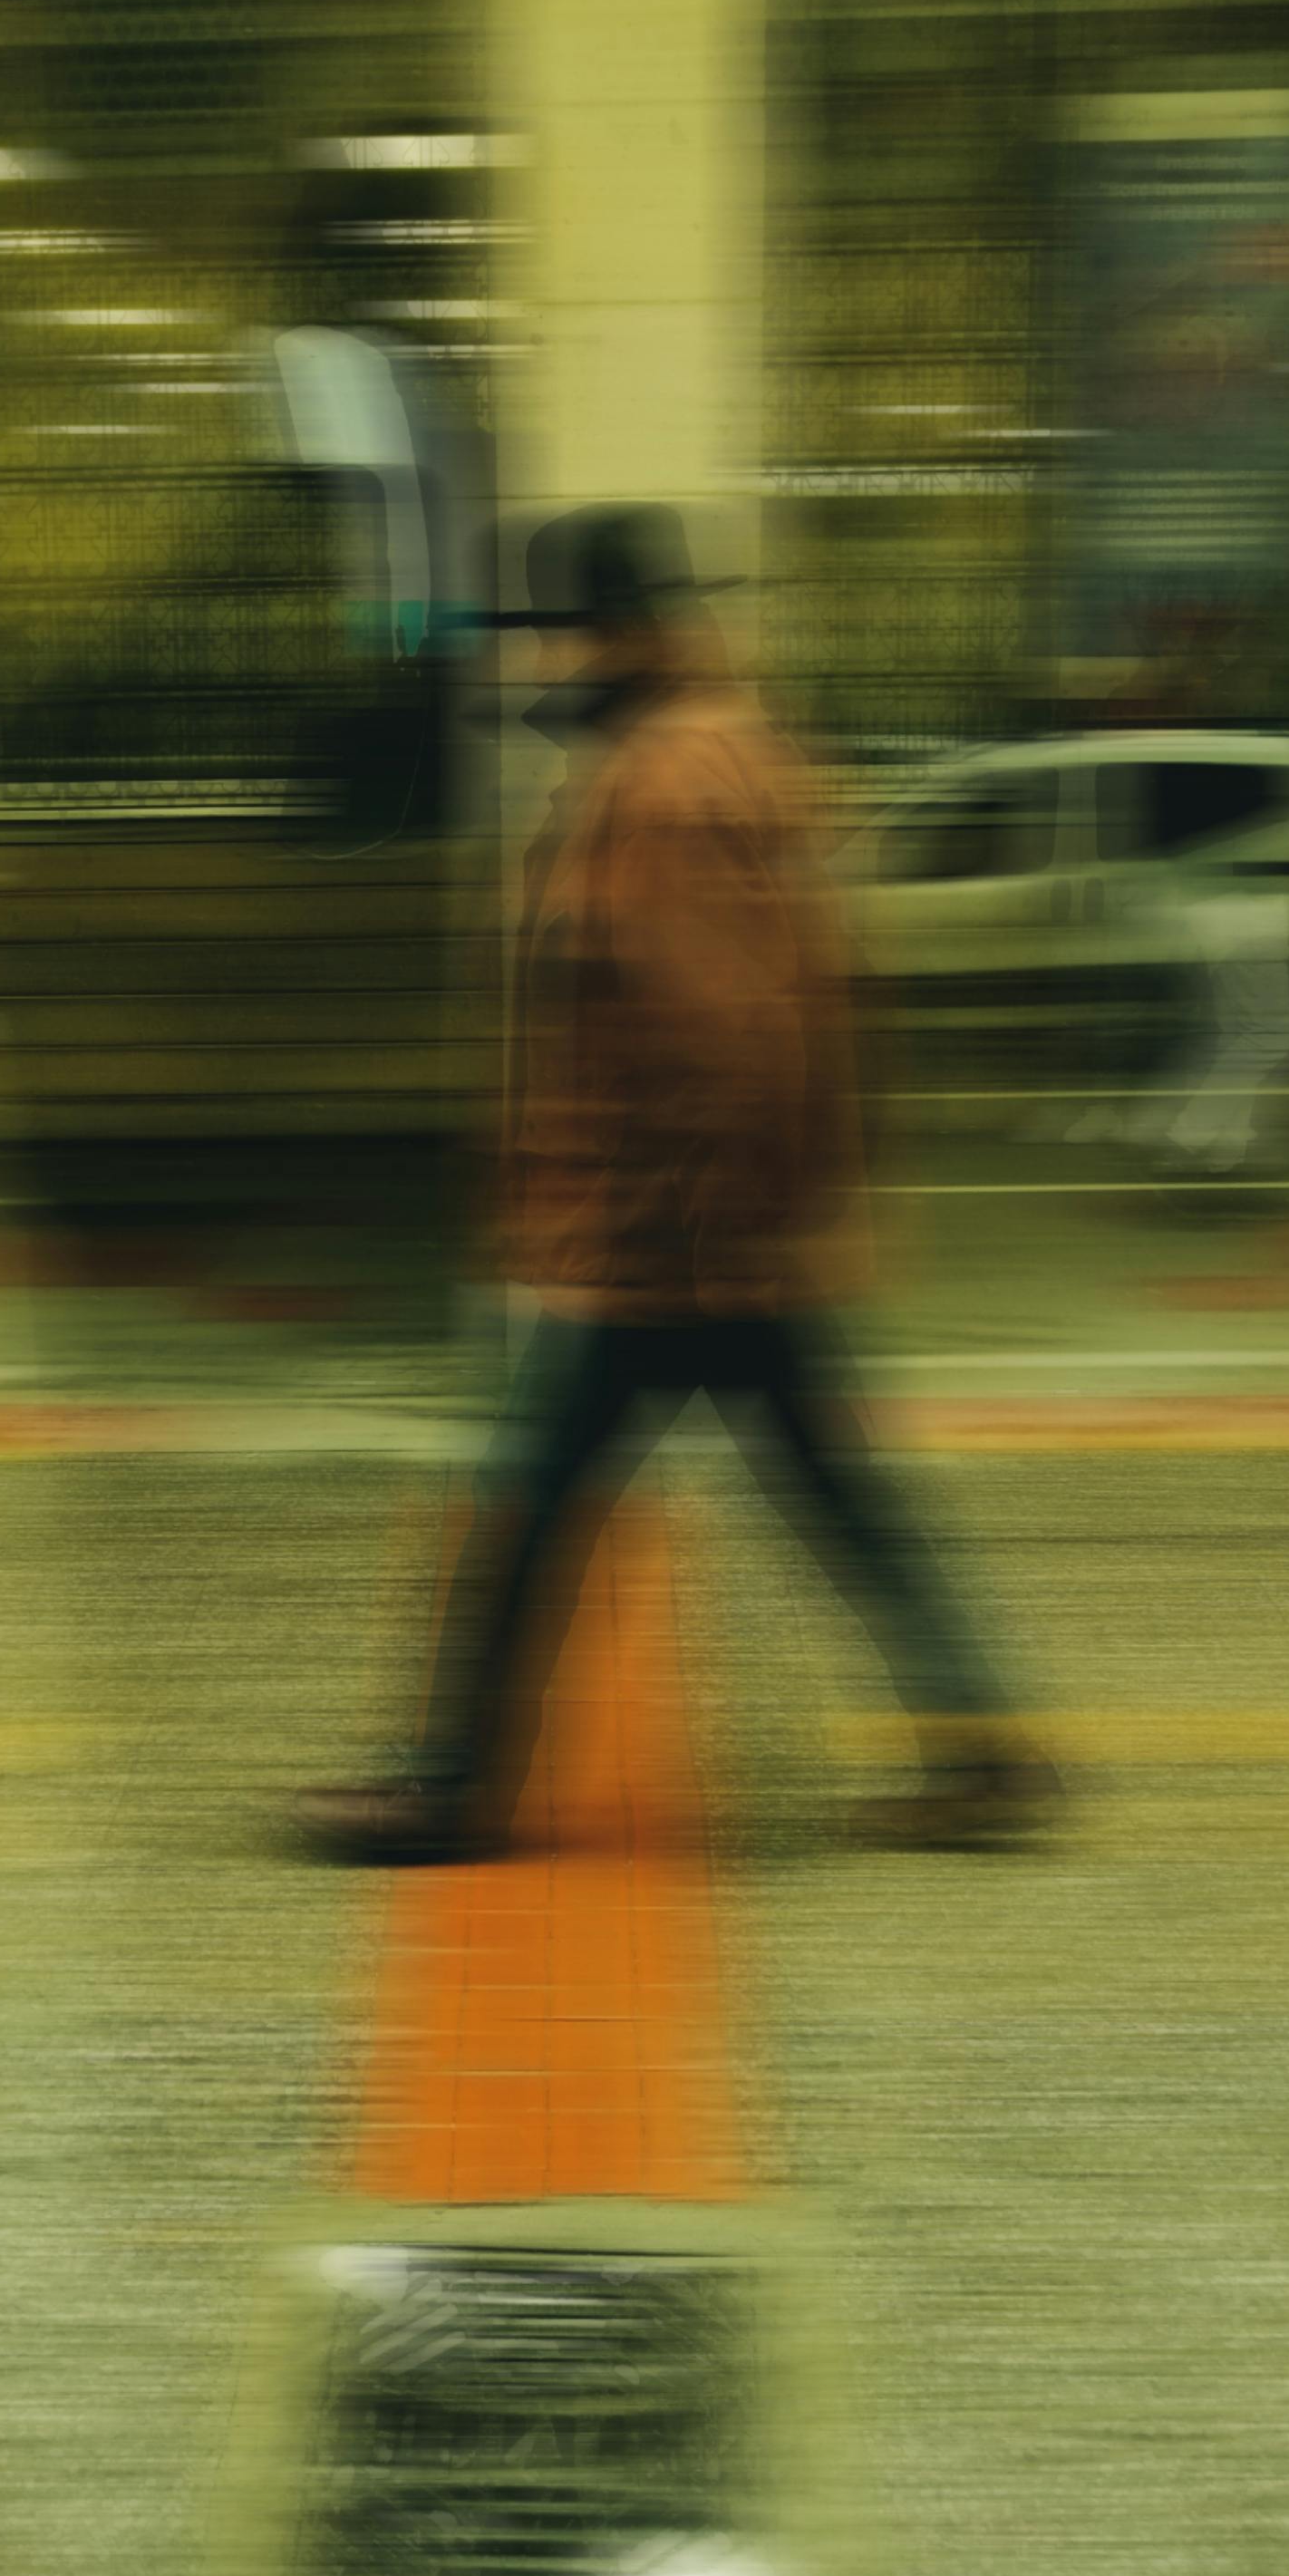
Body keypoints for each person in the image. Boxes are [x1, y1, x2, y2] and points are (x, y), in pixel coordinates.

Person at [292, 503, 1059, 1866]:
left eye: (558, 642)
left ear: (626, 635)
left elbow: (731, 1033)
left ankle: (448, 1788)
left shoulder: (664, 785)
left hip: (668, 1247)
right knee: (838, 1494)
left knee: (525, 1508)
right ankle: (986, 1749)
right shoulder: (716, 746)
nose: (535, 672)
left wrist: (688, 1230)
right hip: (722, 1240)